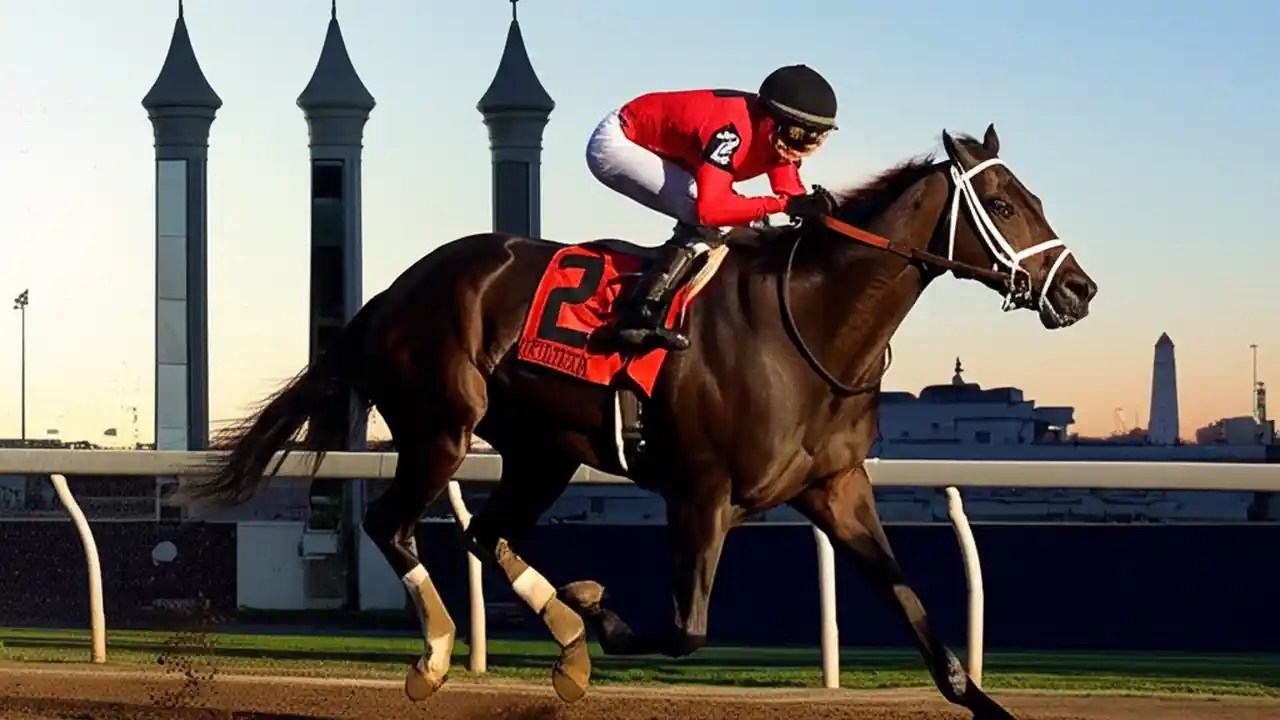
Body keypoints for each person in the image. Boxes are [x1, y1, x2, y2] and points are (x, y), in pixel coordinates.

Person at [585, 64, 839, 352]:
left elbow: (788, 187)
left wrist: (807, 206)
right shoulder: (730, 131)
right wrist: (780, 204)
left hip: (674, 151)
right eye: (796, 133)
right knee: (708, 218)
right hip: (620, 143)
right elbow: (711, 209)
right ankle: (637, 316)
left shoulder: (773, 132)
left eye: (815, 137)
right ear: (770, 119)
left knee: (754, 225)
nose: (802, 144)